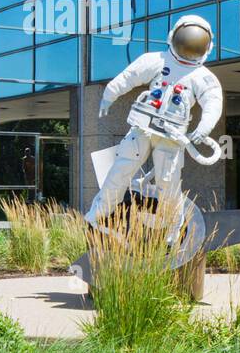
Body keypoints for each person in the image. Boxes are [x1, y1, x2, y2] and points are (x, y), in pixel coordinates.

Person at [85, 15, 223, 230]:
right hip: (142, 128)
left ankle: (173, 231)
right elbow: (128, 77)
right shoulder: (156, 60)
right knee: (119, 173)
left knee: (167, 184)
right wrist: (109, 95)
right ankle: (98, 216)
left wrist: (204, 128)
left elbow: (213, 103)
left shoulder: (202, 77)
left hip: (171, 136)